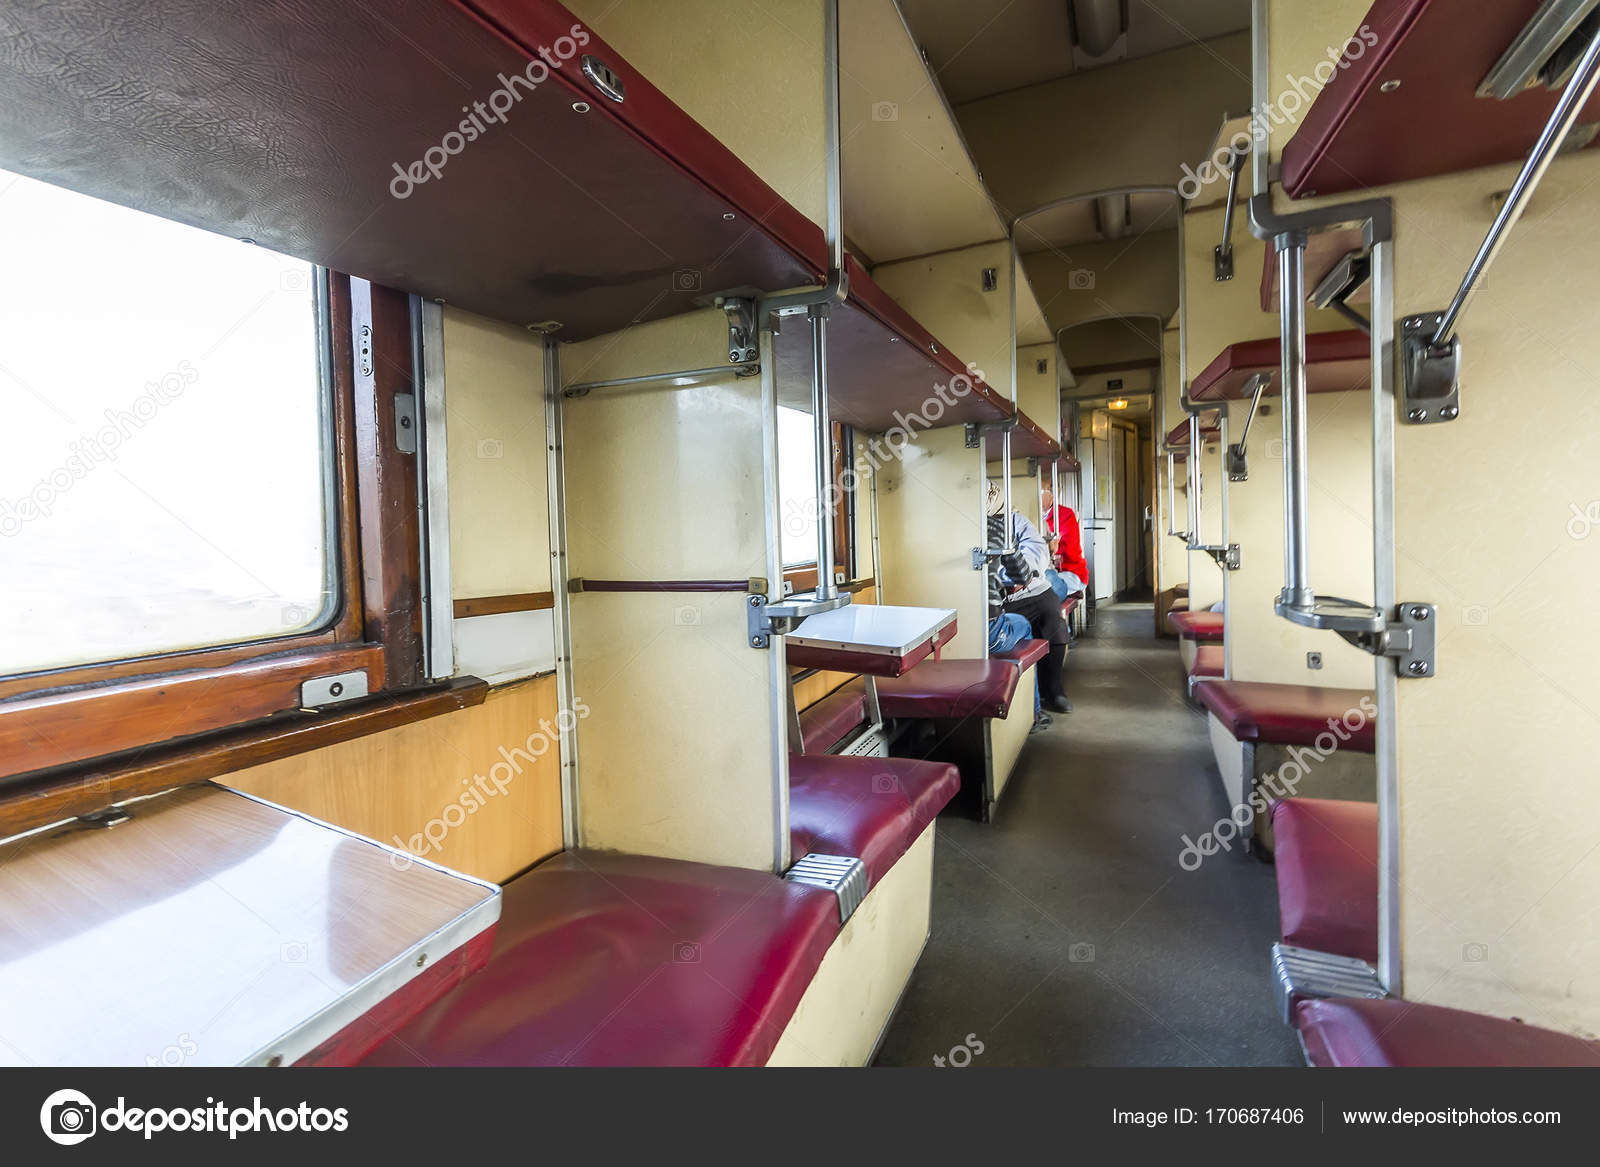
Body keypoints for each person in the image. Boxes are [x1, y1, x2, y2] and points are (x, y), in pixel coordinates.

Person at [986, 482, 1072, 715]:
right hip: (998, 600)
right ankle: (1030, 704)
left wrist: (1014, 578)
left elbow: (1036, 552)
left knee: (1052, 620)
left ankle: (1054, 689)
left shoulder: (1016, 521)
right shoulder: (966, 527)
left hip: (1029, 590)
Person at [1041, 484, 1088, 602]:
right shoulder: (1031, 515)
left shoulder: (1065, 515)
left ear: (1051, 495)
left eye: (1041, 491)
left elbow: (1065, 549)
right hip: (1043, 572)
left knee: (1045, 582)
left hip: (1070, 572)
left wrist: (1050, 547)